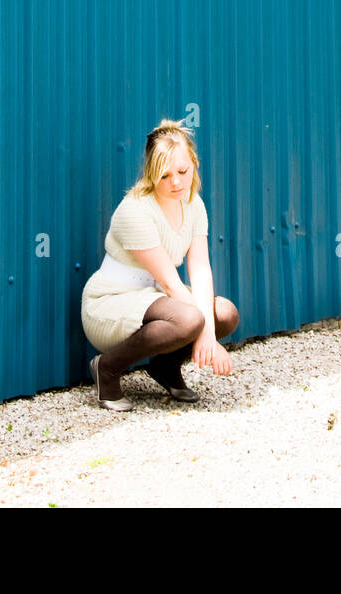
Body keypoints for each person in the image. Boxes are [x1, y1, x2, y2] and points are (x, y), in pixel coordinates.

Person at [80, 120, 239, 410]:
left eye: (182, 171)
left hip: (156, 299)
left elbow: (200, 269)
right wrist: (206, 336)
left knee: (225, 314)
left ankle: (165, 367)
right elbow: (169, 282)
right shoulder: (135, 210)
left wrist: (210, 331)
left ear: (194, 163)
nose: (176, 182)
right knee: (192, 319)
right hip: (110, 302)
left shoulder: (193, 204)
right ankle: (107, 368)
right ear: (151, 173)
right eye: (165, 176)